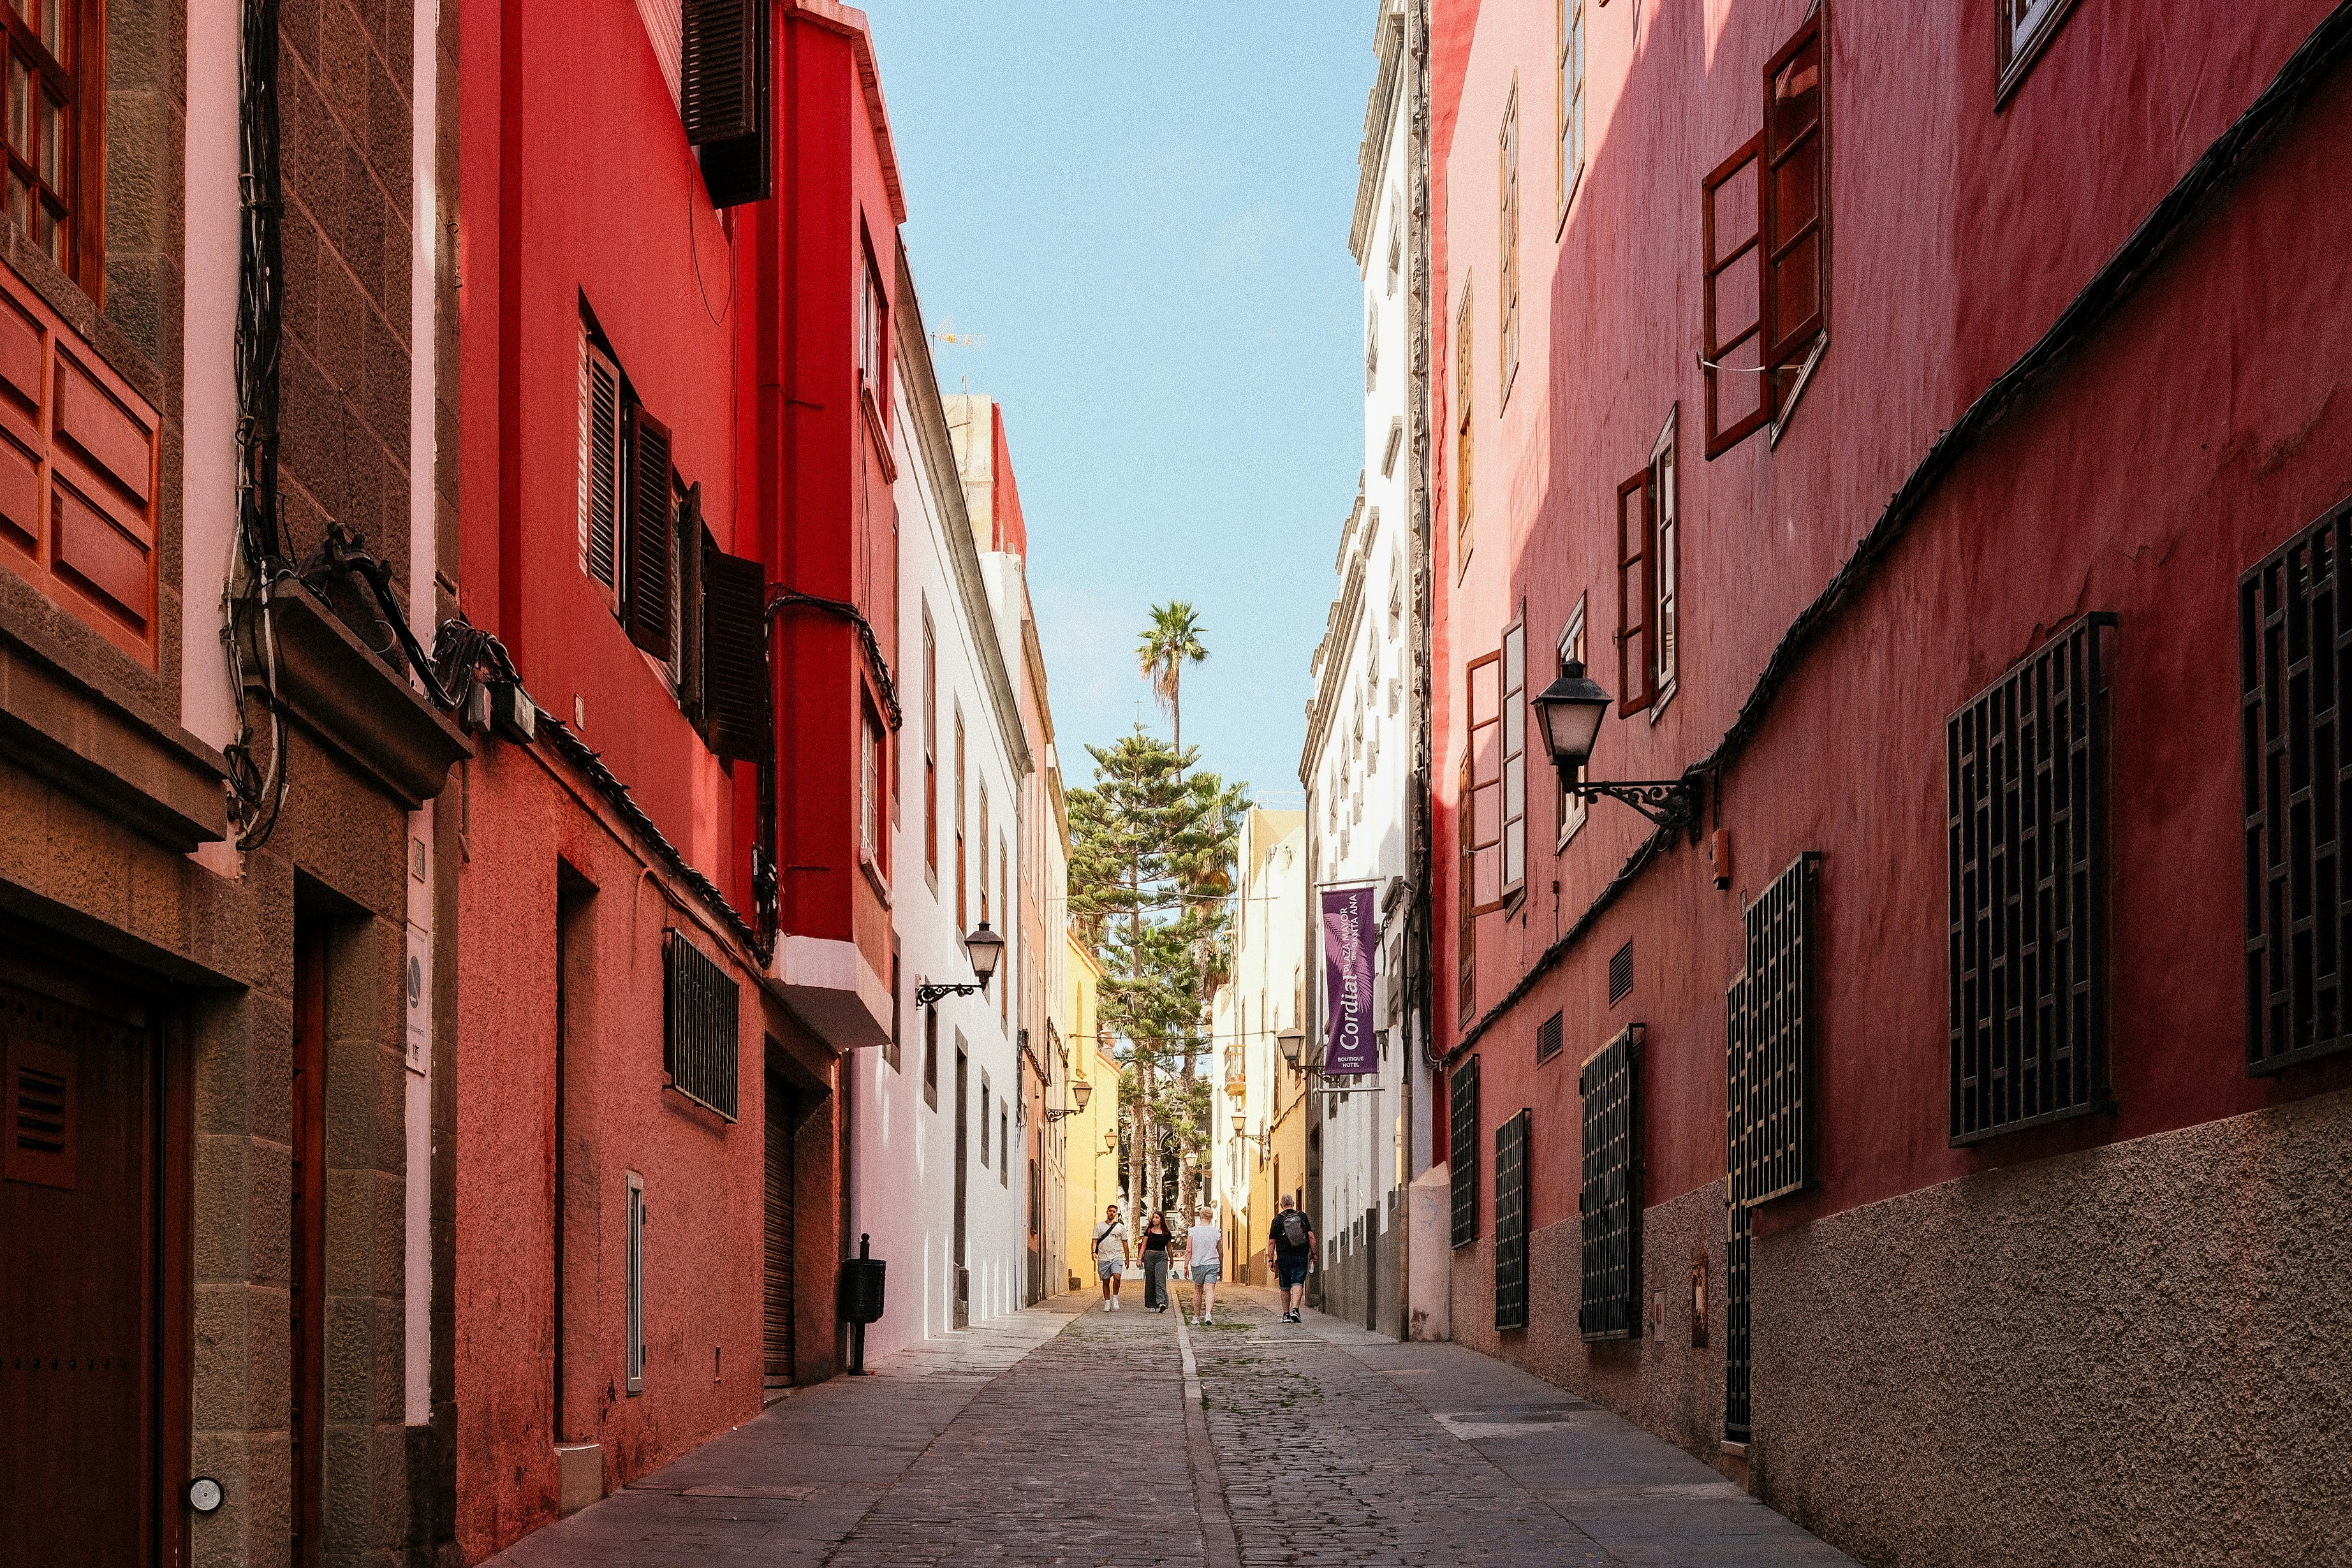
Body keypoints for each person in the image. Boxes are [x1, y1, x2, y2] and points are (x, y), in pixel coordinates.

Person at [1267, 1192, 1315, 1324]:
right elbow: (1311, 1236)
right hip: (1300, 1256)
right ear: (1293, 1204)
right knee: (1298, 1283)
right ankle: (1295, 1310)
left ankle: (1286, 1314)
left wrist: (1271, 1260)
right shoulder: (1302, 1216)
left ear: (1282, 1205)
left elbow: (1272, 1242)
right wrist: (1314, 1253)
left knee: (1285, 1286)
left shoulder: (1277, 1220)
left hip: (1283, 1258)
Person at [1186, 1206, 1223, 1324]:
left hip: (1197, 1264)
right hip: (1212, 1264)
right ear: (1211, 1218)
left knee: (1198, 1290)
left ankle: (1196, 1317)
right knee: (1210, 1291)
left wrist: (1185, 1266)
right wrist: (1221, 1267)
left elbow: (1188, 1250)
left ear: (1200, 1217)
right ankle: (1208, 1315)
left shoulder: (1193, 1231)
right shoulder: (1216, 1232)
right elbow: (1220, 1251)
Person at [1092, 1204, 1129, 1312]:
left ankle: (1115, 1298)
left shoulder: (1120, 1227)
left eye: (1114, 1211)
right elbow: (1095, 1240)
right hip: (1103, 1257)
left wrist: (1127, 1258)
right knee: (1106, 1281)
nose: (1112, 1213)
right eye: (1110, 1211)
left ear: (1116, 1214)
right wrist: (1093, 1252)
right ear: (1107, 1212)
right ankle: (1107, 1302)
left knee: (1117, 1277)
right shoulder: (1099, 1226)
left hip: (1116, 1256)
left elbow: (1125, 1243)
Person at [1140, 1211, 1173, 1312]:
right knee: (1150, 1281)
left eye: (1157, 1218)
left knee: (1160, 1280)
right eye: (1153, 1217)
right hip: (1149, 1256)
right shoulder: (1149, 1231)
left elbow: (1169, 1248)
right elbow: (1144, 1246)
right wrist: (1139, 1259)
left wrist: (1172, 1259)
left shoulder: (1166, 1233)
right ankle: (1152, 1305)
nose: (1154, 1219)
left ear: (1161, 1220)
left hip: (1162, 1257)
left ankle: (1161, 1302)